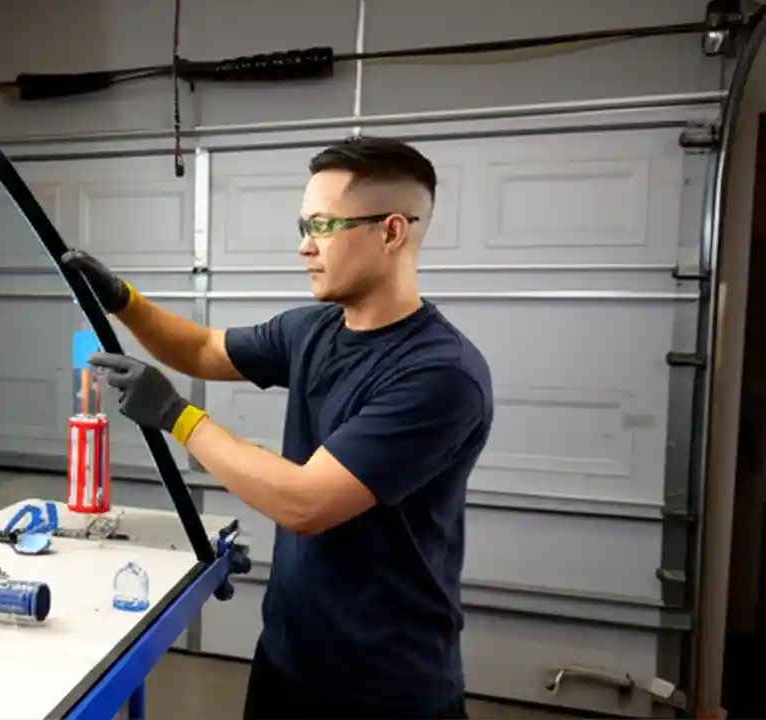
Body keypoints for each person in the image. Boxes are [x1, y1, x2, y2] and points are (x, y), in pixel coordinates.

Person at [63, 135, 493, 719]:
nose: (303, 247)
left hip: (386, 688)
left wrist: (176, 416)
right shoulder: (312, 331)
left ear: (391, 231)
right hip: (289, 662)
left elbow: (306, 502)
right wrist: (124, 300)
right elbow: (203, 348)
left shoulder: (441, 375)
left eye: (322, 226)